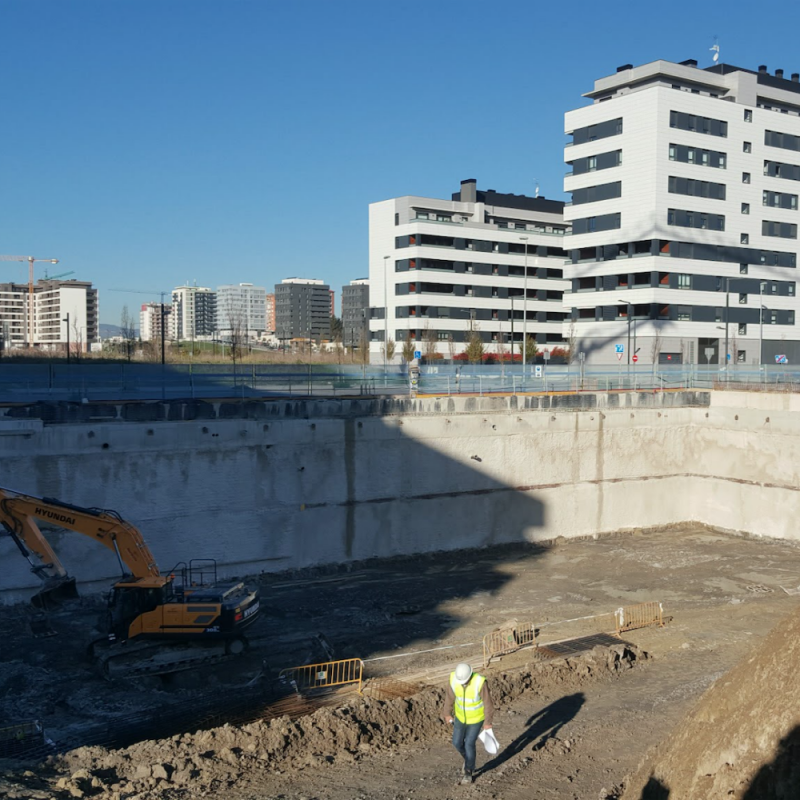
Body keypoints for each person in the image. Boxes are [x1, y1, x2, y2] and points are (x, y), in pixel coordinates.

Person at [444, 662, 495, 785]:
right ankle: (468, 760)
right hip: (460, 717)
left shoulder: (480, 682)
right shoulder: (454, 679)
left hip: (476, 719)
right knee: (456, 743)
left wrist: (487, 722)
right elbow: (449, 697)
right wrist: (447, 713)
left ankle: (468, 772)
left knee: (469, 744)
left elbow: (488, 704)